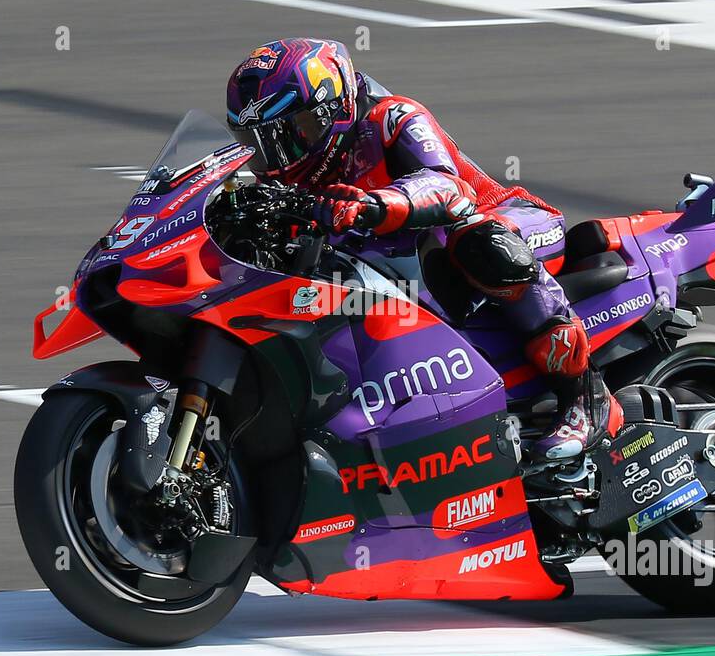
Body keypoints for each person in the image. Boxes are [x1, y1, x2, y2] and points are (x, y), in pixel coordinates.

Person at [226, 38, 621, 460]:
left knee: (482, 242)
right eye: (261, 143)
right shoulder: (291, 174)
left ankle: (586, 397)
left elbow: (448, 188)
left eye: (292, 133)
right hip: (412, 258)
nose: (277, 158)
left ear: (331, 111)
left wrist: (375, 204)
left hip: (508, 220)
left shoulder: (393, 118)